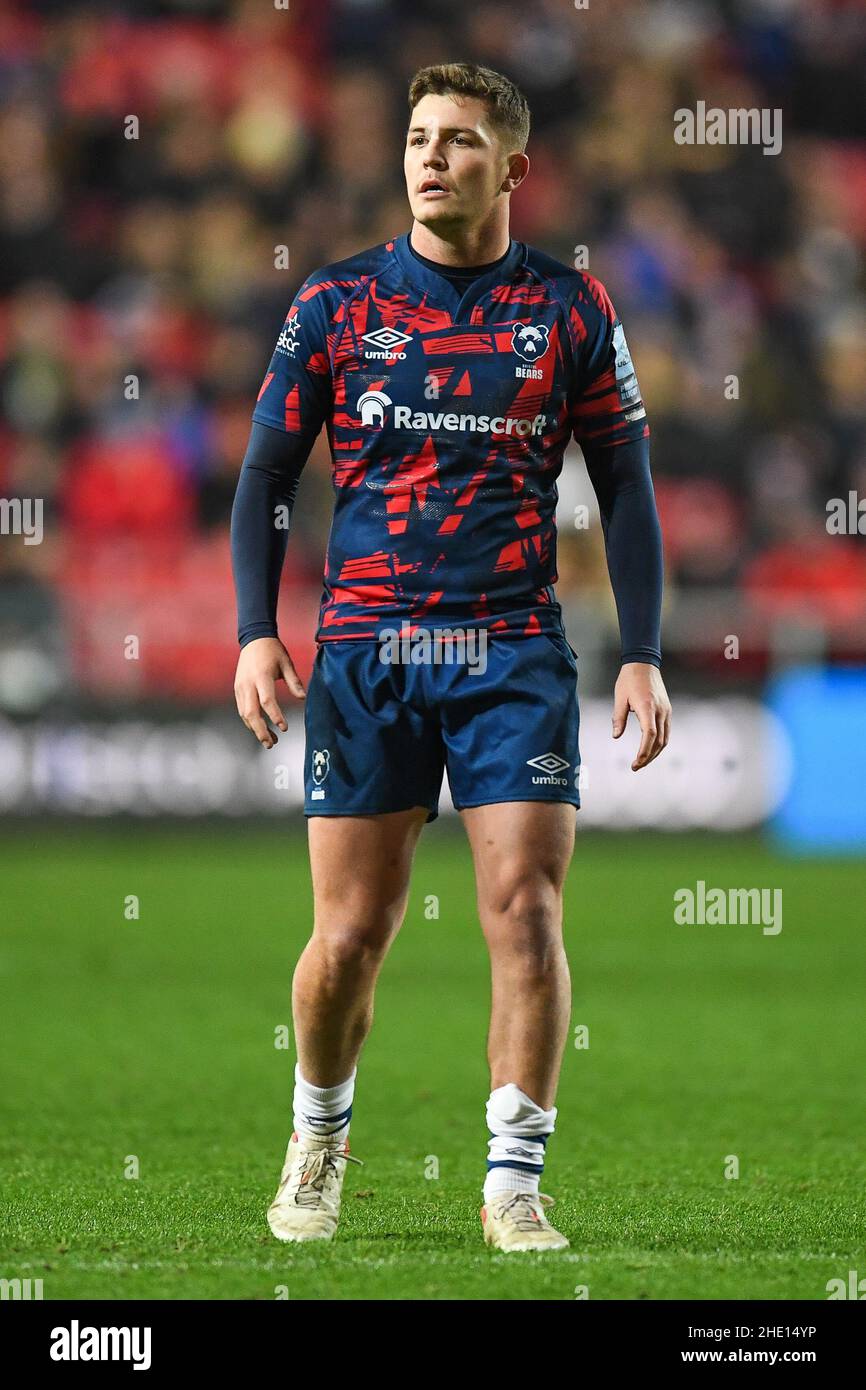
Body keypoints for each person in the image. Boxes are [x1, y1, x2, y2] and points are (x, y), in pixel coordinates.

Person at [230, 61, 671, 1253]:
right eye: (418, 136)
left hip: (511, 649)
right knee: (348, 935)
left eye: (460, 140)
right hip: (367, 650)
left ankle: (512, 1181)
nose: (431, 156)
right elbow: (265, 476)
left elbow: (626, 487)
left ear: (511, 166)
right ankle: (317, 1139)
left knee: (524, 910)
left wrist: (640, 650)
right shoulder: (335, 303)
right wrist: (256, 631)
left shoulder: (570, 310)